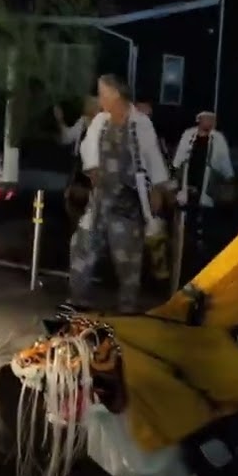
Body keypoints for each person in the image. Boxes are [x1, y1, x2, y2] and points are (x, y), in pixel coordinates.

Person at [71, 75, 173, 312]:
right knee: (82, 246)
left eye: (103, 93)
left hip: (126, 201)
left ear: (116, 94)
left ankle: (127, 307)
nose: (100, 98)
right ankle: (78, 301)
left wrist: (158, 188)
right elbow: (88, 146)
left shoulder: (140, 122)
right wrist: (92, 168)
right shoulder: (101, 120)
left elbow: (152, 153)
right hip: (100, 199)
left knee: (127, 257)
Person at [171, 111, 235, 281]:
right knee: (187, 230)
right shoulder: (188, 135)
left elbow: (225, 165)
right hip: (188, 190)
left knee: (205, 230)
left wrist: (227, 183)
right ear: (199, 120)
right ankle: (182, 270)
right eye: (207, 119)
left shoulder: (218, 139)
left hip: (207, 193)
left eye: (213, 119)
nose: (210, 122)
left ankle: (201, 269)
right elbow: (178, 162)